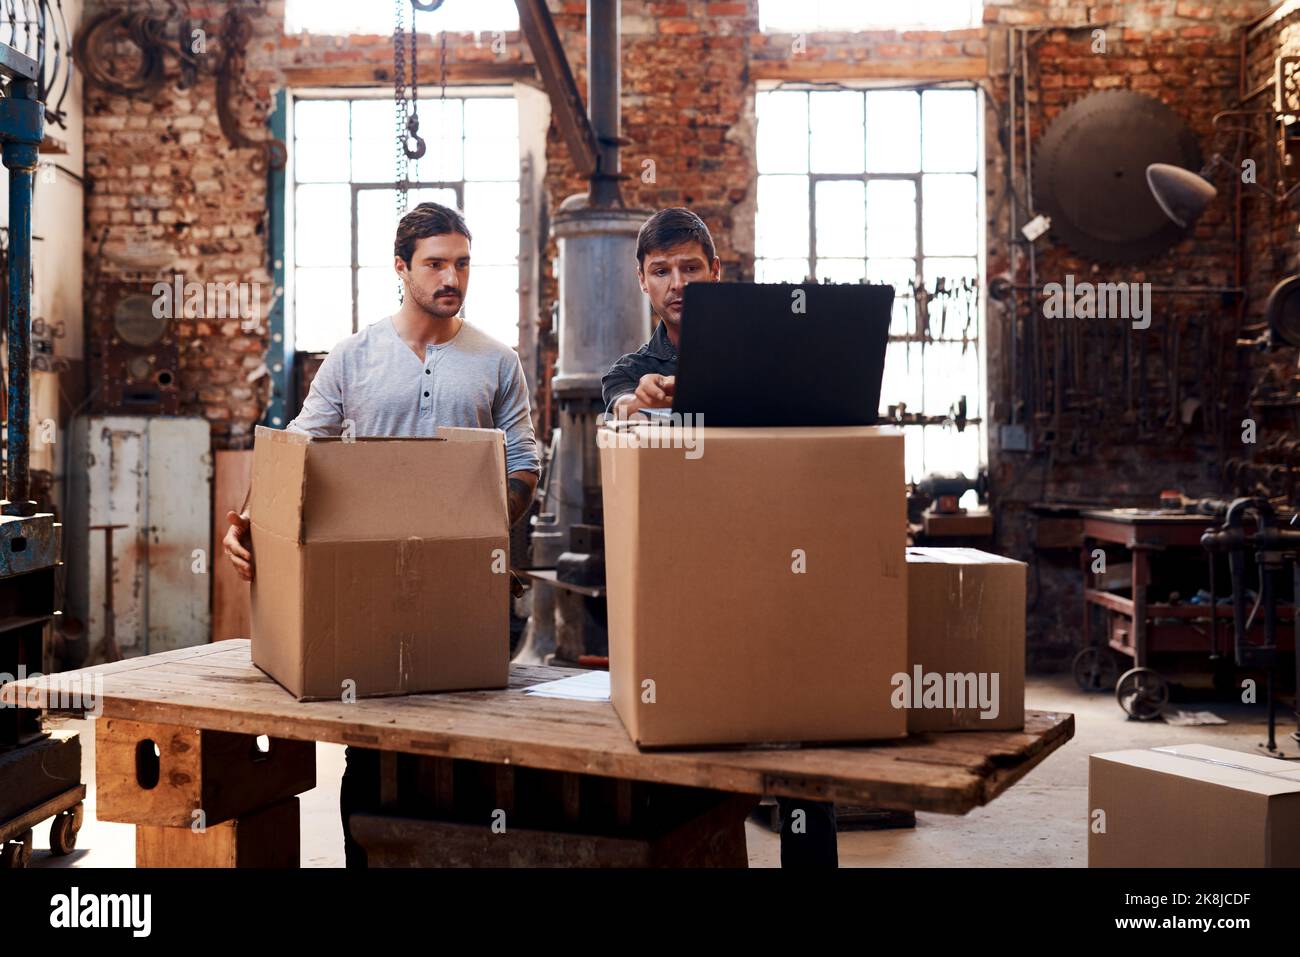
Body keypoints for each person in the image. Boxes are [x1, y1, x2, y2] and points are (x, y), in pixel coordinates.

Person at [223, 201, 540, 866]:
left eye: (461, 262)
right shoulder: (353, 357)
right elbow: (297, 449)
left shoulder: (496, 361)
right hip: (368, 590)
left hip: (464, 593)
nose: (451, 276)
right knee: (369, 751)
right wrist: (249, 522)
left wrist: (477, 533)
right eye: (435, 263)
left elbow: (523, 464)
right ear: (401, 268)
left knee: (467, 750)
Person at [601, 207, 840, 868]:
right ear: (643, 283)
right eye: (661, 270)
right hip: (683, 582)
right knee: (679, 746)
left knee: (798, 744)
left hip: (775, 566)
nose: (677, 281)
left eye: (689, 267)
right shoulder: (634, 371)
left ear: (716, 271)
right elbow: (615, 397)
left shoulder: (773, 348)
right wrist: (635, 403)